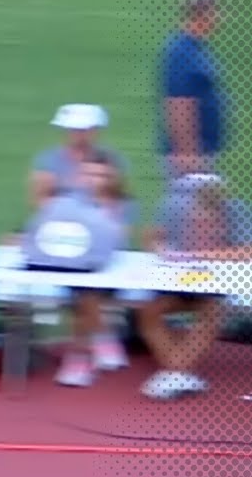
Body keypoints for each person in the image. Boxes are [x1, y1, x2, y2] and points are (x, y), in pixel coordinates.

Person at [137, 174, 252, 400]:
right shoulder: (174, 210)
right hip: (178, 285)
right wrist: (161, 248)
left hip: (216, 288)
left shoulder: (237, 211)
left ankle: (174, 373)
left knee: (213, 312)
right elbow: (151, 236)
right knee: (148, 311)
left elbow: (248, 251)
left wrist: (198, 255)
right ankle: (179, 373)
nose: (203, 225)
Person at [48, 149, 137, 387]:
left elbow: (116, 238)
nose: (94, 179)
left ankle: (77, 360)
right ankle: (102, 338)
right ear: (80, 175)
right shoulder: (67, 202)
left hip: (112, 273)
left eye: (101, 174)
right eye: (89, 173)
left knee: (85, 295)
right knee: (83, 290)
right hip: (74, 270)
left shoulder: (122, 204)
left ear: (111, 177)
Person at [159, 0, 228, 181]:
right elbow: (179, 103)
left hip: (201, 151)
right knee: (192, 207)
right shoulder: (181, 52)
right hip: (190, 154)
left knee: (203, 207)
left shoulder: (196, 48)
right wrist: (187, 154)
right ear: (202, 15)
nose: (219, 19)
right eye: (216, 13)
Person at [29, 103, 128, 209]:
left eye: (84, 130)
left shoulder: (111, 159)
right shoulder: (48, 160)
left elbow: (117, 199)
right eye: (73, 129)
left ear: (95, 131)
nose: (79, 135)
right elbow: (39, 198)